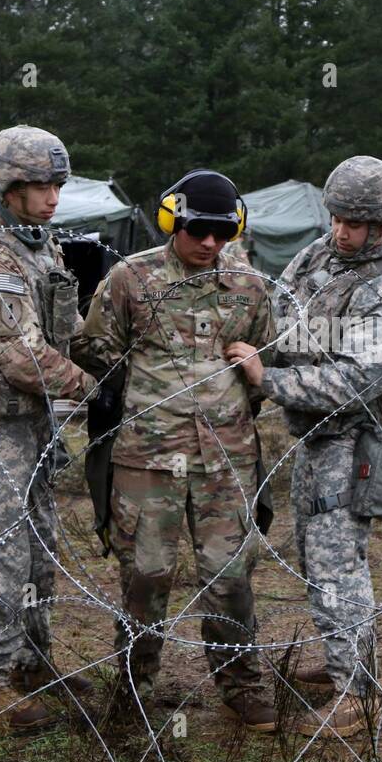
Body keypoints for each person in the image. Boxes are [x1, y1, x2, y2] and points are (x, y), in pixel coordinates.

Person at [225, 155, 382, 738]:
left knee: (339, 566)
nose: (342, 231)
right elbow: (284, 320)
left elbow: (362, 378)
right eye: (337, 218)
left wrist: (269, 381)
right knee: (318, 562)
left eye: (355, 223)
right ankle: (345, 662)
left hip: (358, 439)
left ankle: (355, 692)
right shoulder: (317, 257)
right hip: (316, 438)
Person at [72, 168, 278, 732]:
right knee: (146, 574)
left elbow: (271, 361)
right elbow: (93, 348)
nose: (209, 243)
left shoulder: (252, 289)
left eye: (221, 232)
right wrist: (138, 377)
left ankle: (241, 684)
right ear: (172, 222)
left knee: (229, 576)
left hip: (226, 459)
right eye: (197, 230)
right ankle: (132, 690)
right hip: (147, 457)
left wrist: (254, 371)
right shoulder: (129, 278)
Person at [0, 125, 98, 731]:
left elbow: (68, 332)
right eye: (39, 186)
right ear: (8, 187)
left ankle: (30, 661)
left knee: (36, 551)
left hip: (31, 422)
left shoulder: (40, 247)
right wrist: (95, 390)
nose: (53, 196)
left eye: (58, 183)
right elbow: (21, 356)